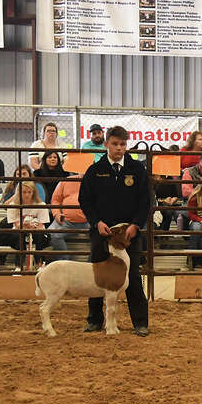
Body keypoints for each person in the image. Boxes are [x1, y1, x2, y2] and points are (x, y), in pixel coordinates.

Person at [77, 126, 151, 336]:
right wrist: (96, 222)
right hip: (102, 233)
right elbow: (85, 200)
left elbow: (145, 200)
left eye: (123, 145)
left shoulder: (136, 169)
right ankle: (94, 320)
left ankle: (140, 322)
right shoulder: (94, 170)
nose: (119, 149)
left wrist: (136, 224)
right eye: (115, 144)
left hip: (129, 235)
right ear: (106, 144)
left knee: (133, 276)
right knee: (96, 276)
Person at [8, 182, 51, 268]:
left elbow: (40, 225)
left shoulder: (41, 205)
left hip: (37, 233)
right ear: (19, 193)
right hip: (19, 233)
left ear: (33, 192)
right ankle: (18, 266)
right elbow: (17, 225)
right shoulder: (13, 205)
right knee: (20, 236)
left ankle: (40, 265)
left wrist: (32, 227)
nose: (27, 195)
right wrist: (24, 226)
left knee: (38, 235)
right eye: (24, 192)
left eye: (29, 192)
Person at [49, 173, 89, 261]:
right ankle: (64, 261)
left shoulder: (96, 182)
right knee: (53, 234)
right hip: (66, 221)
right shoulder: (65, 181)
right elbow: (55, 200)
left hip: (89, 221)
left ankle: (90, 263)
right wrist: (57, 214)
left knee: (100, 236)